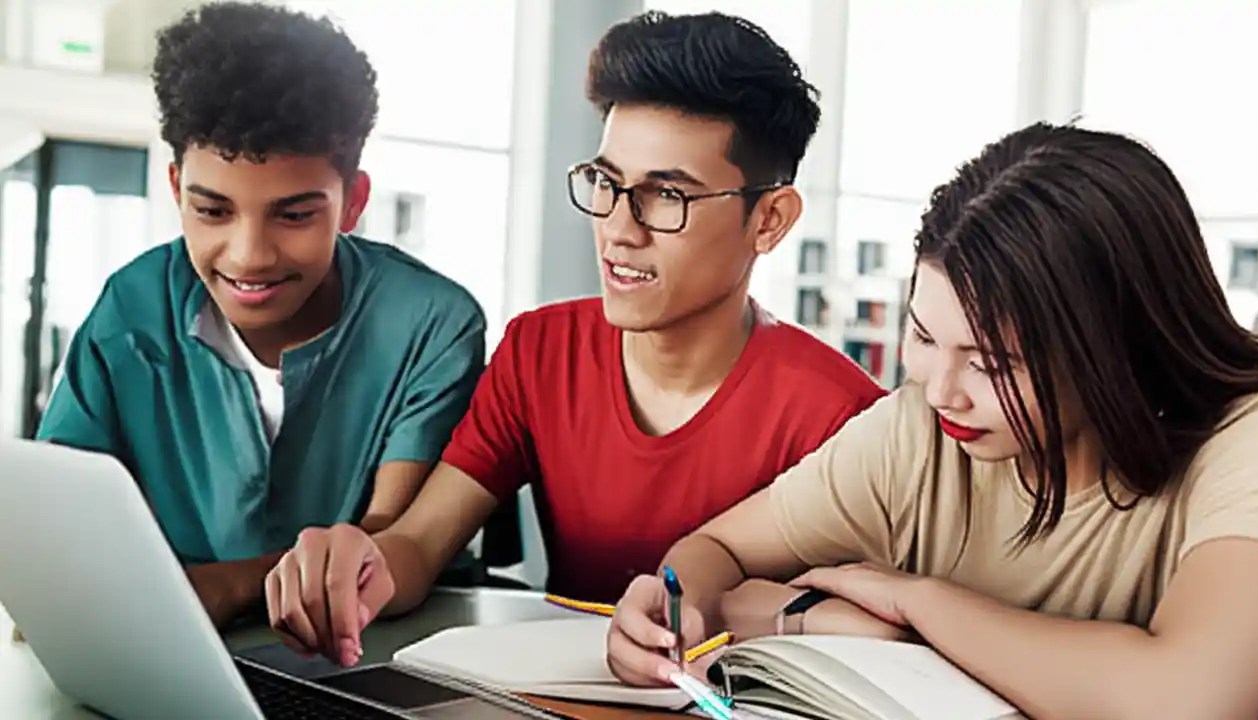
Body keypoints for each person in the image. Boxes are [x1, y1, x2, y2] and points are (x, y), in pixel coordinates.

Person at [265, 10, 885, 669]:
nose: (619, 228)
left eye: (667, 196)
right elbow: (420, 544)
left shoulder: (843, 418)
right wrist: (359, 568)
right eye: (607, 183)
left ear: (769, 220)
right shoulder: (540, 351)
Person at [606, 122, 1258, 718]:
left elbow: (1188, 701)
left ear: (1113, 349)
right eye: (924, 337)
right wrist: (672, 609)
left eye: (990, 364)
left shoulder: (1254, 439)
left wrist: (917, 606)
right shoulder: (920, 432)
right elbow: (715, 552)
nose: (941, 391)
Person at [36, 2, 485, 629]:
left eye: (294, 215)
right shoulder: (130, 307)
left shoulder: (432, 325)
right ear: (176, 189)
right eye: (212, 211)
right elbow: (56, 519)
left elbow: (386, 544)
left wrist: (224, 586)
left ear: (352, 203)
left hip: (371, 649)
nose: (249, 256)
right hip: (166, 645)